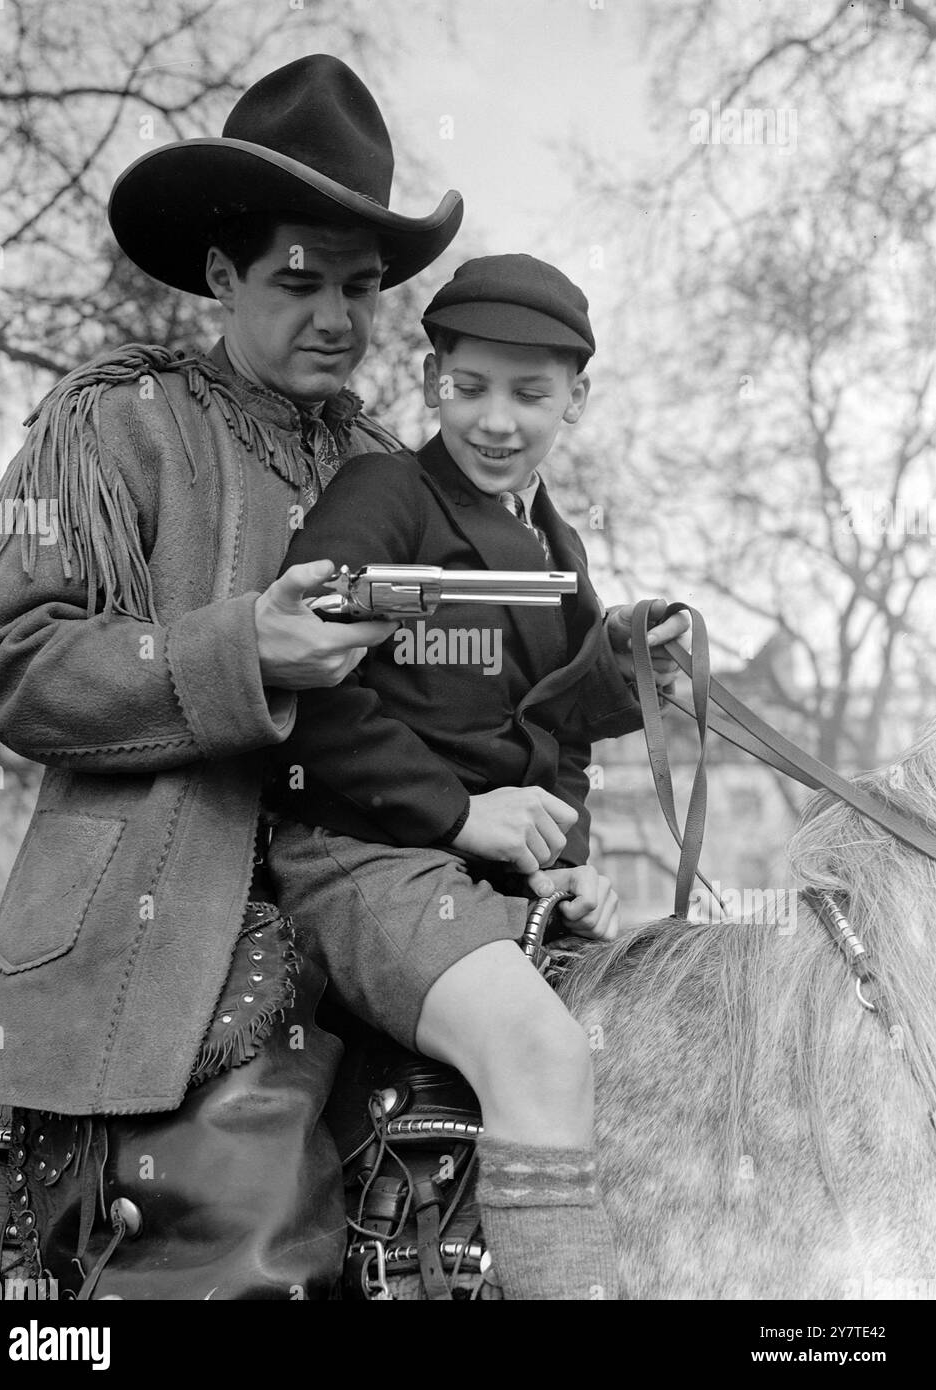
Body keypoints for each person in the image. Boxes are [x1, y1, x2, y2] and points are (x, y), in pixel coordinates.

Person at [0, 55, 465, 1297]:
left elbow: (459, 694)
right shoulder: (104, 425)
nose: (338, 318)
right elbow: (13, 664)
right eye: (300, 280)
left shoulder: (399, 472)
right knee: (247, 1237)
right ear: (223, 278)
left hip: (382, 892)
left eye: (360, 288)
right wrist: (243, 650)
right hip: (178, 918)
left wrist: (591, 685)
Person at [266, 253, 685, 1300]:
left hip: (486, 883)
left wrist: (562, 860)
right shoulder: (384, 494)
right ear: (429, 380)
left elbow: (559, 739)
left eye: (530, 393)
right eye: (471, 386)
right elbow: (310, 694)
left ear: (574, 401)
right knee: (541, 1055)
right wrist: (461, 813)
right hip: (365, 861)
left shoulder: (556, 546)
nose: (497, 420)